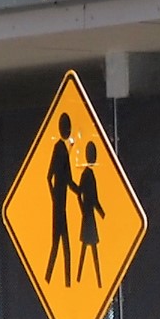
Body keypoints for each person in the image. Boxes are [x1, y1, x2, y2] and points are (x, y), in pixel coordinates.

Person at [42, 112, 77, 283]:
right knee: (59, 246)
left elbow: (68, 180)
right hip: (58, 208)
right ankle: (51, 280)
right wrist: (54, 198)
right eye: (68, 128)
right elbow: (49, 177)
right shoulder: (59, 148)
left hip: (61, 206)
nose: (69, 131)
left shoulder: (62, 149)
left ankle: (61, 282)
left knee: (63, 247)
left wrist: (79, 191)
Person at [73, 140, 105, 287]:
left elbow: (94, 198)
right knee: (89, 248)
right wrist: (83, 210)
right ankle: (91, 280)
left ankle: (92, 280)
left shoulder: (89, 174)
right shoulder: (87, 174)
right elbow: (81, 194)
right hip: (88, 217)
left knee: (89, 248)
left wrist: (101, 213)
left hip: (89, 216)